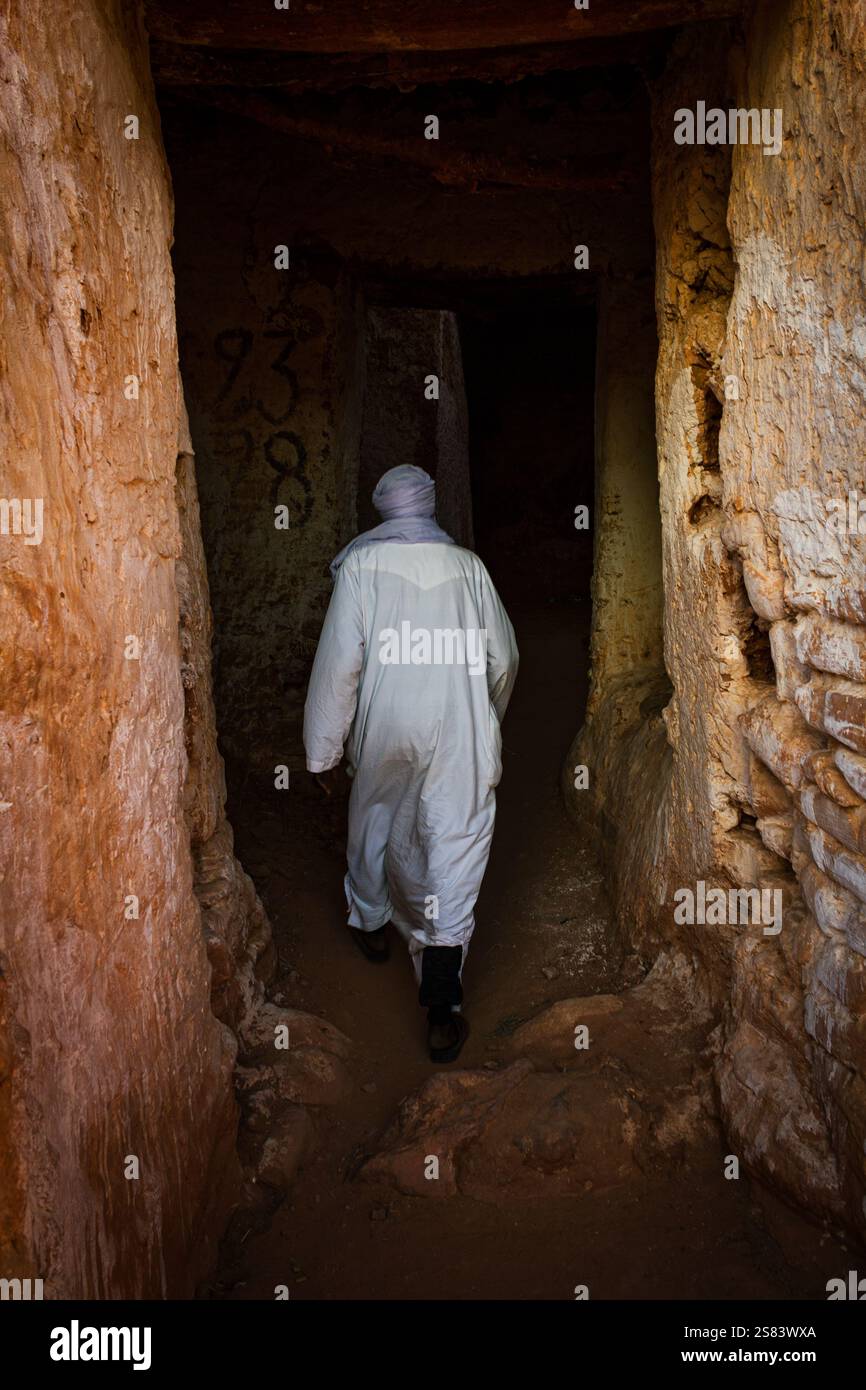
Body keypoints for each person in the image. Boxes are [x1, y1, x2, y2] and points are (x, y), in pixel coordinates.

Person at [304, 464, 518, 1062]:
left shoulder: (361, 568)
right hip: (456, 729)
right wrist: (486, 718)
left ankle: (371, 924)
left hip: (386, 725)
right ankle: (443, 1003)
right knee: (456, 839)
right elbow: (502, 657)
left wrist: (323, 751)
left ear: (384, 509)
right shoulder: (468, 568)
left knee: (373, 817)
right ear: (428, 506)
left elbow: (340, 666)